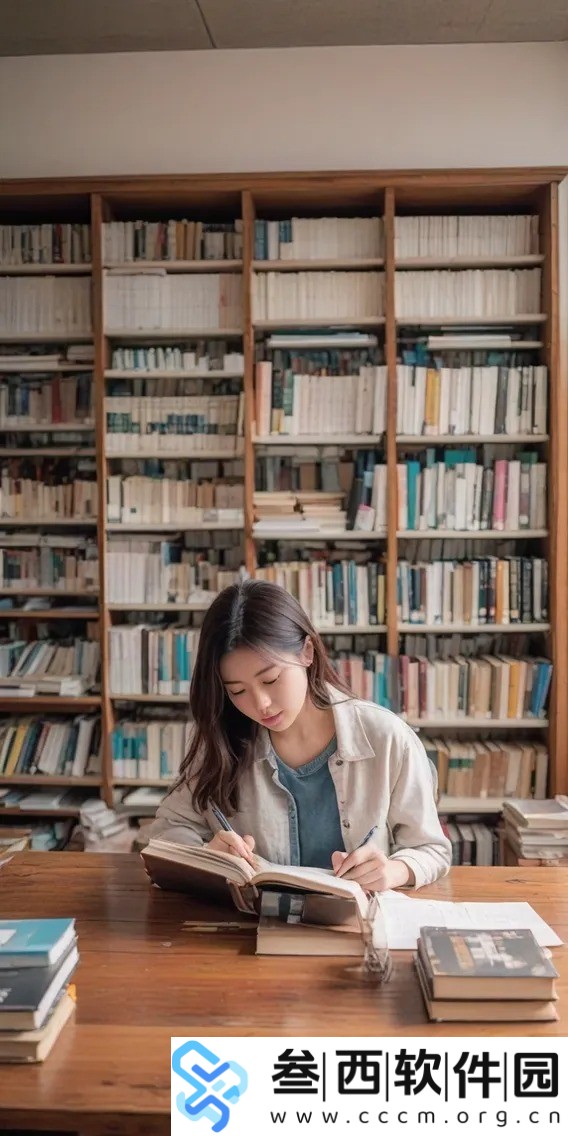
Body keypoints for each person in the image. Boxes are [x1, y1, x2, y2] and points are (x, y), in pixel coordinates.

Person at [148, 579, 451, 891]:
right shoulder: (222, 739)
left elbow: (432, 849)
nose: (260, 704)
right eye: (237, 691)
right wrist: (204, 856)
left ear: (307, 651)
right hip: (248, 929)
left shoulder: (386, 737)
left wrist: (395, 871)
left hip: (355, 928)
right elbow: (167, 830)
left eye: (271, 679)